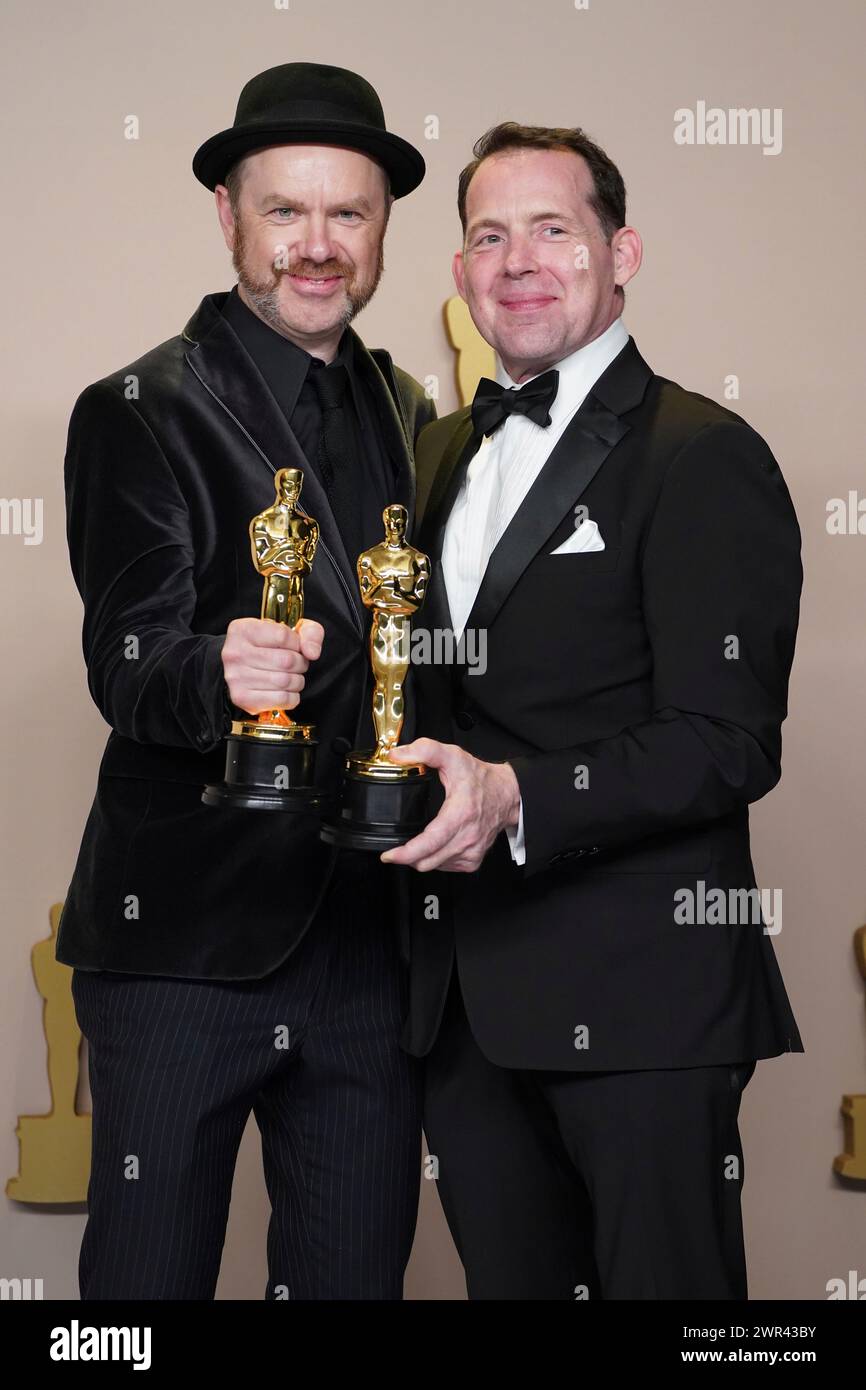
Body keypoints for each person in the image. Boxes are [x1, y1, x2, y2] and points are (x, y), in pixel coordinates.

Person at [386, 121, 804, 1299]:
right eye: (487, 235)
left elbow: (728, 739)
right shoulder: (435, 455)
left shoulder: (700, 452)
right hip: (460, 1007)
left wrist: (518, 793)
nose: (516, 259)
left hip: (642, 1004)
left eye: (551, 230)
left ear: (620, 253)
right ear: (462, 275)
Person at [59, 62, 434, 1300]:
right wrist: (214, 666)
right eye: (286, 211)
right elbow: (123, 658)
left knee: (350, 1286)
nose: (316, 247)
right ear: (228, 215)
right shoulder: (137, 405)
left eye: (348, 214)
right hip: (182, 944)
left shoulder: (409, 407)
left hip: (365, 938)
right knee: (138, 1297)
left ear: (382, 227)